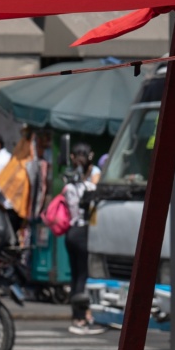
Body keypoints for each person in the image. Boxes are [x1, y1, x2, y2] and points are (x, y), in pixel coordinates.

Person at [61, 143, 103, 334]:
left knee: (74, 275)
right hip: (84, 232)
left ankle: (76, 315)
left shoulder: (68, 186)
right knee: (83, 276)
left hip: (70, 232)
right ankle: (82, 317)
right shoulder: (90, 187)